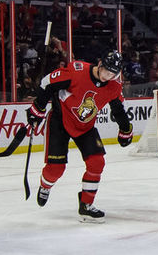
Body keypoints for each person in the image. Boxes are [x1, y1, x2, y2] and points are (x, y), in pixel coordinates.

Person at [26, 50, 133, 223]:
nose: (109, 76)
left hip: (85, 127)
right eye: (107, 71)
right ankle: (45, 186)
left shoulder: (114, 87)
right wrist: (38, 108)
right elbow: (47, 83)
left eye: (114, 73)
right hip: (60, 121)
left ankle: (86, 205)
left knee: (97, 162)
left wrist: (126, 129)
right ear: (100, 64)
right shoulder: (77, 71)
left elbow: (119, 110)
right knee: (55, 169)